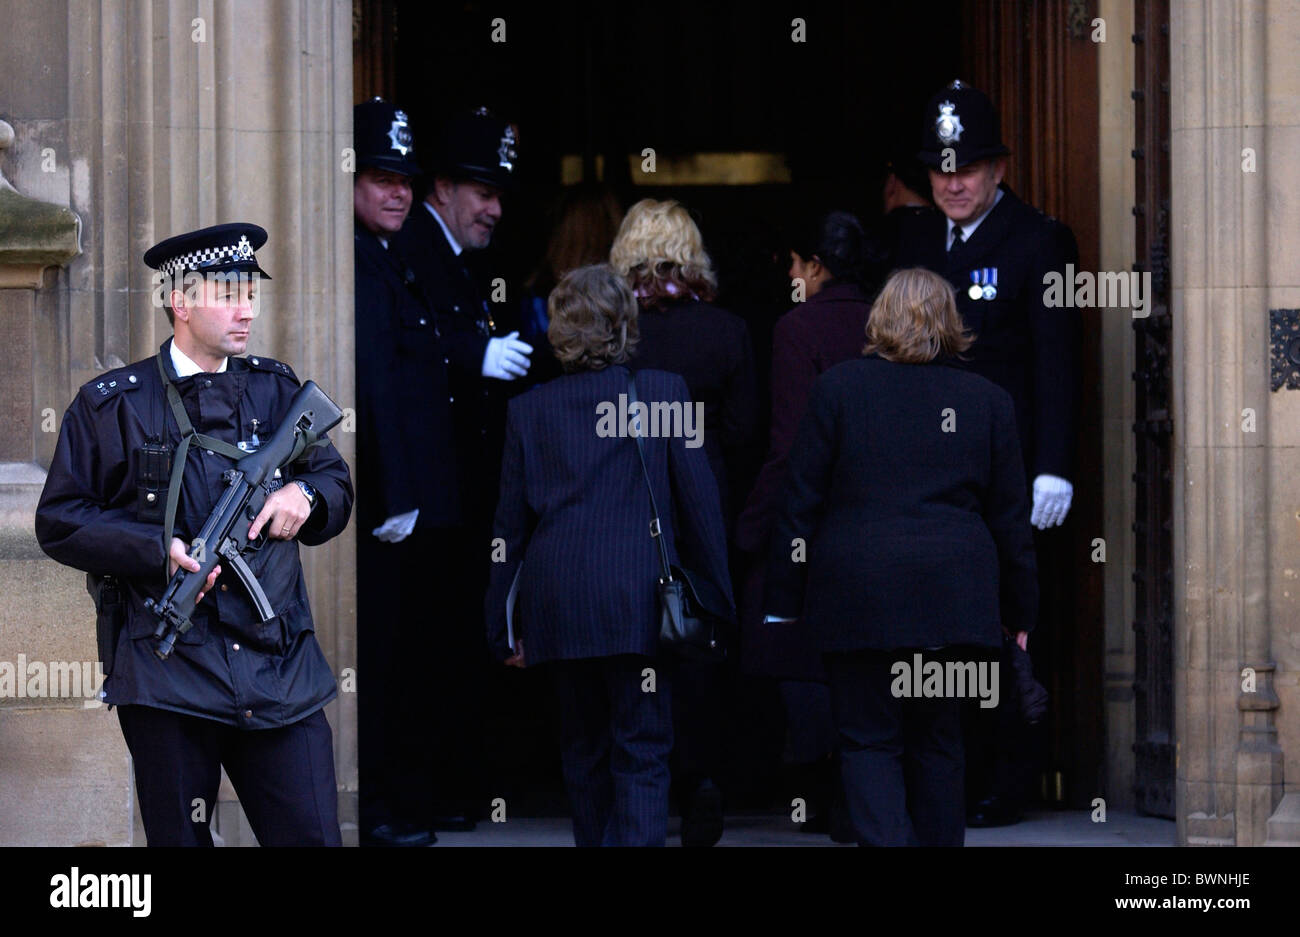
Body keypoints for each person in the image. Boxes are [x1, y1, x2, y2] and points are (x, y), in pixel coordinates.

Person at [34, 222, 354, 846]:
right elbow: (61, 519)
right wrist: (158, 551)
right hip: (168, 670)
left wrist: (305, 495)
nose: (245, 309)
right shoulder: (113, 405)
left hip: (277, 663)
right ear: (180, 302)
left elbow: (335, 485)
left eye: (250, 293)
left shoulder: (277, 389)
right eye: (227, 293)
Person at [764, 267, 1038, 846]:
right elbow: (1010, 522)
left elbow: (800, 505)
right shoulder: (986, 400)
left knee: (867, 740)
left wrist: (784, 602)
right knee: (939, 740)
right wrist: (1019, 614)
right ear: (951, 323)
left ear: (878, 318)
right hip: (952, 599)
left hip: (859, 595)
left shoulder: (838, 389)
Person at [483, 264, 733, 847]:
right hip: (640, 600)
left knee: (583, 752)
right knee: (643, 751)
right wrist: (719, 601)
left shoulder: (528, 410)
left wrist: (500, 624)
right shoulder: (666, 392)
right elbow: (701, 508)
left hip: (559, 603)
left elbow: (507, 533)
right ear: (625, 323)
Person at [893, 80, 1081, 827]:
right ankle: (950, 776)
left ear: (998, 168)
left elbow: (1058, 360)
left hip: (1006, 475)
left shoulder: (1040, 240)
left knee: (1009, 624)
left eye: (967, 168)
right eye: (941, 170)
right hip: (927, 477)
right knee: (938, 622)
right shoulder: (910, 240)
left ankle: (1011, 775)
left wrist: (1054, 462)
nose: (953, 183)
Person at [391, 106, 533, 830]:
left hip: (459, 496)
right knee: (428, 648)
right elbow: (391, 349)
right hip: (426, 494)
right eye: (483, 191)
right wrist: (470, 353)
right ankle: (420, 795)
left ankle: (449, 790)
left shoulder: (450, 255)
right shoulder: (411, 245)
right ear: (442, 187)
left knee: (451, 644)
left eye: (500, 193)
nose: (495, 208)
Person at [609, 197, 758, 845]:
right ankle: (702, 779)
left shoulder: (617, 333)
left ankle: (639, 787)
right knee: (700, 642)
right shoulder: (726, 331)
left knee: (632, 641)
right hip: (705, 502)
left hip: (626, 499)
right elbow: (745, 430)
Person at [734, 208, 874, 840]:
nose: (790, 275)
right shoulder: (886, 318)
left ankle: (820, 791)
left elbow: (788, 445)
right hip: (878, 519)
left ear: (814, 265)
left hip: (811, 523)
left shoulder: (797, 327)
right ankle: (858, 795)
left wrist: (750, 529)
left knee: (799, 650)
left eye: (793, 264)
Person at [353, 98, 459, 847]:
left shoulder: (387, 256)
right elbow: (374, 384)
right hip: (390, 506)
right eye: (380, 176)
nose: (398, 192)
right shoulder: (358, 259)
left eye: (406, 180)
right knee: (383, 662)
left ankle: (404, 797)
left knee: (412, 657)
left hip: (416, 500)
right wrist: (392, 494)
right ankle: (379, 805)